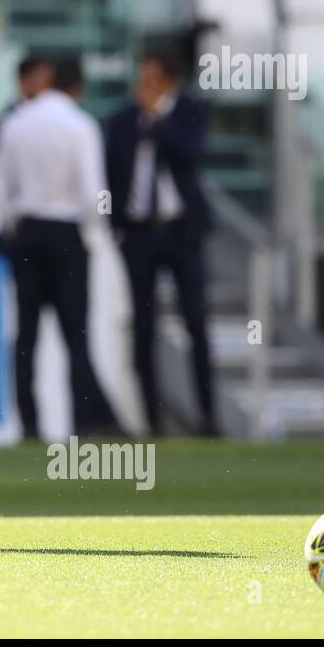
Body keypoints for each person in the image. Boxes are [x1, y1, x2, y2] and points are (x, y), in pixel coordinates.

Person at [0, 57, 123, 440]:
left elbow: (1, 188)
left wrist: (11, 227)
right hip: (67, 234)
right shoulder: (80, 124)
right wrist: (94, 234)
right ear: (77, 88)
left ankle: (29, 424)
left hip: (27, 232)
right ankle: (83, 423)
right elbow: (93, 191)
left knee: (26, 334)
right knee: (75, 334)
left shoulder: (15, 124)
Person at [106, 46, 216, 435]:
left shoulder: (189, 112)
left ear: (169, 81)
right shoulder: (122, 120)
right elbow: (113, 173)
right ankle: (150, 420)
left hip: (181, 231)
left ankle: (208, 417)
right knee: (143, 326)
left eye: (153, 80)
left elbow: (190, 156)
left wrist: (158, 121)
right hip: (138, 234)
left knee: (196, 323)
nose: (145, 88)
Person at [0, 54, 55, 152]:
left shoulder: (54, 114)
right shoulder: (6, 119)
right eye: (45, 80)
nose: (49, 86)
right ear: (25, 80)